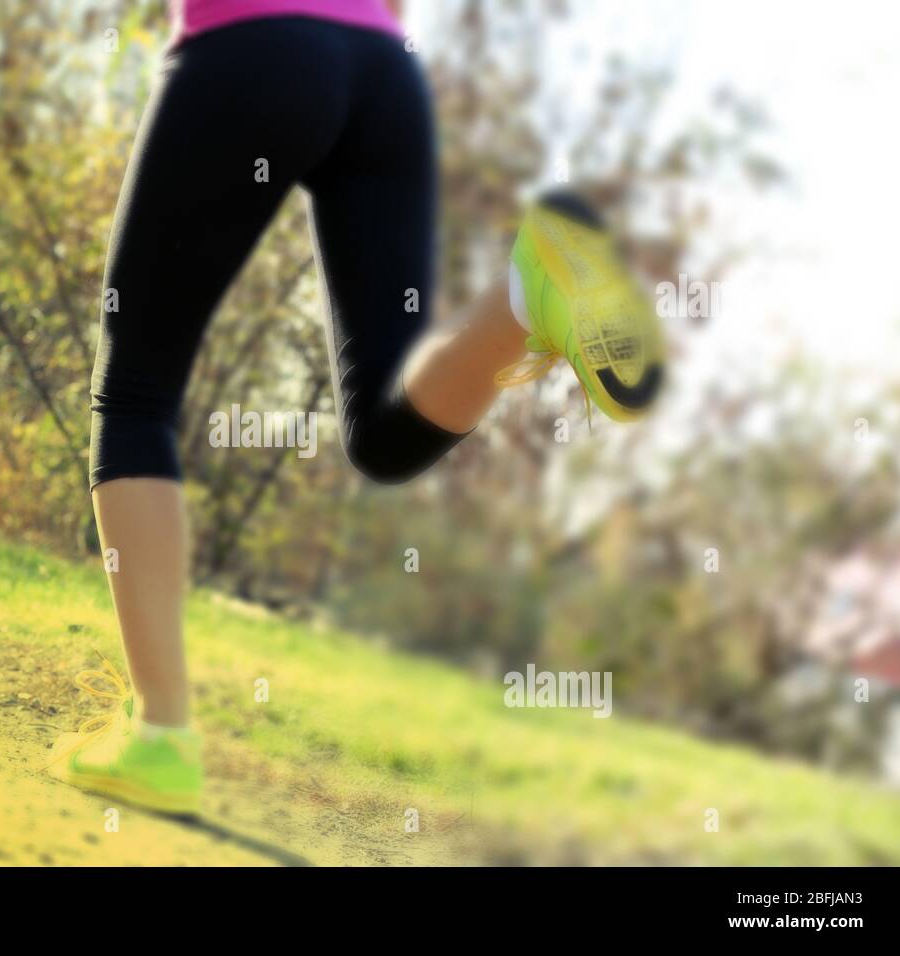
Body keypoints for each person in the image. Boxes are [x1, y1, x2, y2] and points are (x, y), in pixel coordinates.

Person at [49, 0, 663, 814]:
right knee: (382, 431)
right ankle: (527, 293)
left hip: (249, 45)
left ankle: (161, 738)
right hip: (382, 73)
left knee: (133, 393)